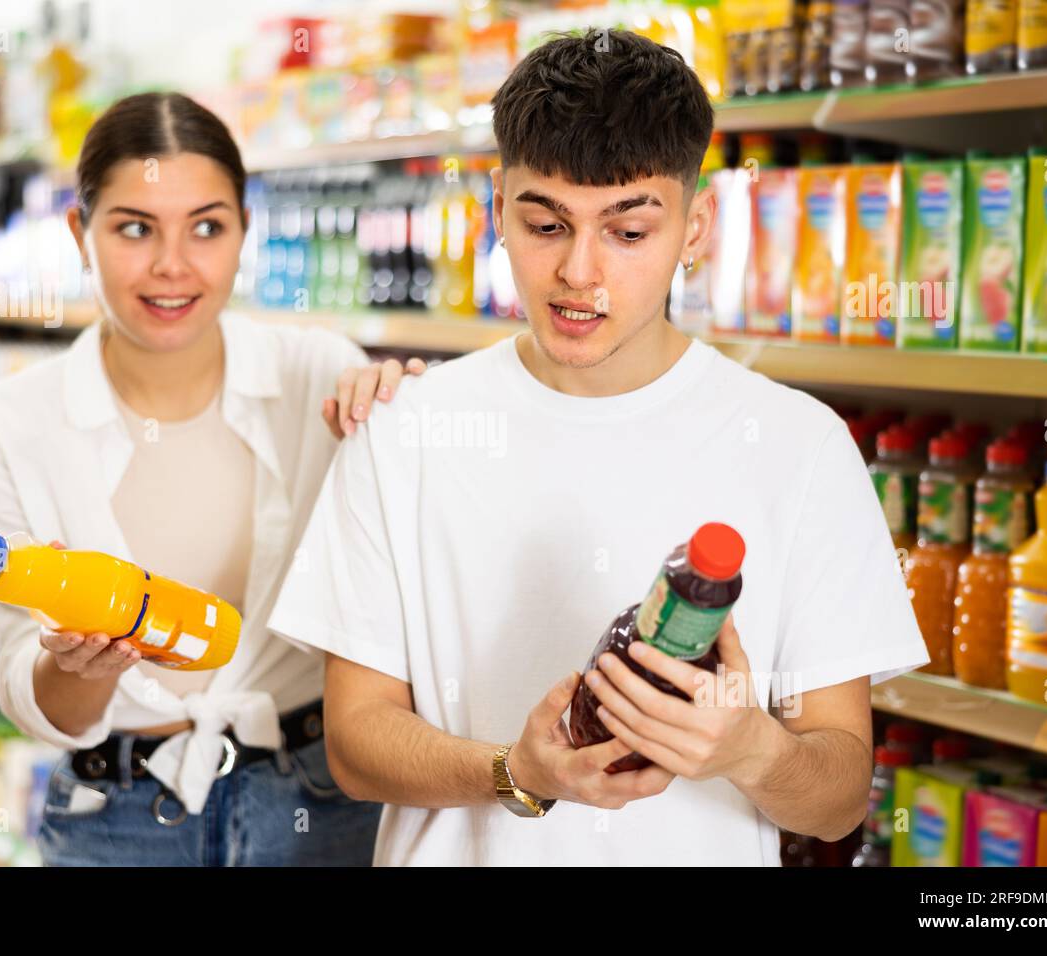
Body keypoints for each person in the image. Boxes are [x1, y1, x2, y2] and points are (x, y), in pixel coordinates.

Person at [268, 30, 930, 866]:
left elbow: (836, 803)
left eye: (628, 233)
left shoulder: (803, 447)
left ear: (696, 228)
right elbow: (356, 747)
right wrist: (517, 772)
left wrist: (748, 749)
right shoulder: (405, 430)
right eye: (545, 223)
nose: (579, 273)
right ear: (494, 207)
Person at [0, 92, 422, 866]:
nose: (172, 265)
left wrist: (412, 419)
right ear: (81, 233)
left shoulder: (321, 376)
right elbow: (34, 700)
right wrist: (75, 669)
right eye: (135, 228)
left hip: (315, 803)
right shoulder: (13, 423)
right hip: (119, 818)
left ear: (246, 231)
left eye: (207, 227)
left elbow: (409, 583)